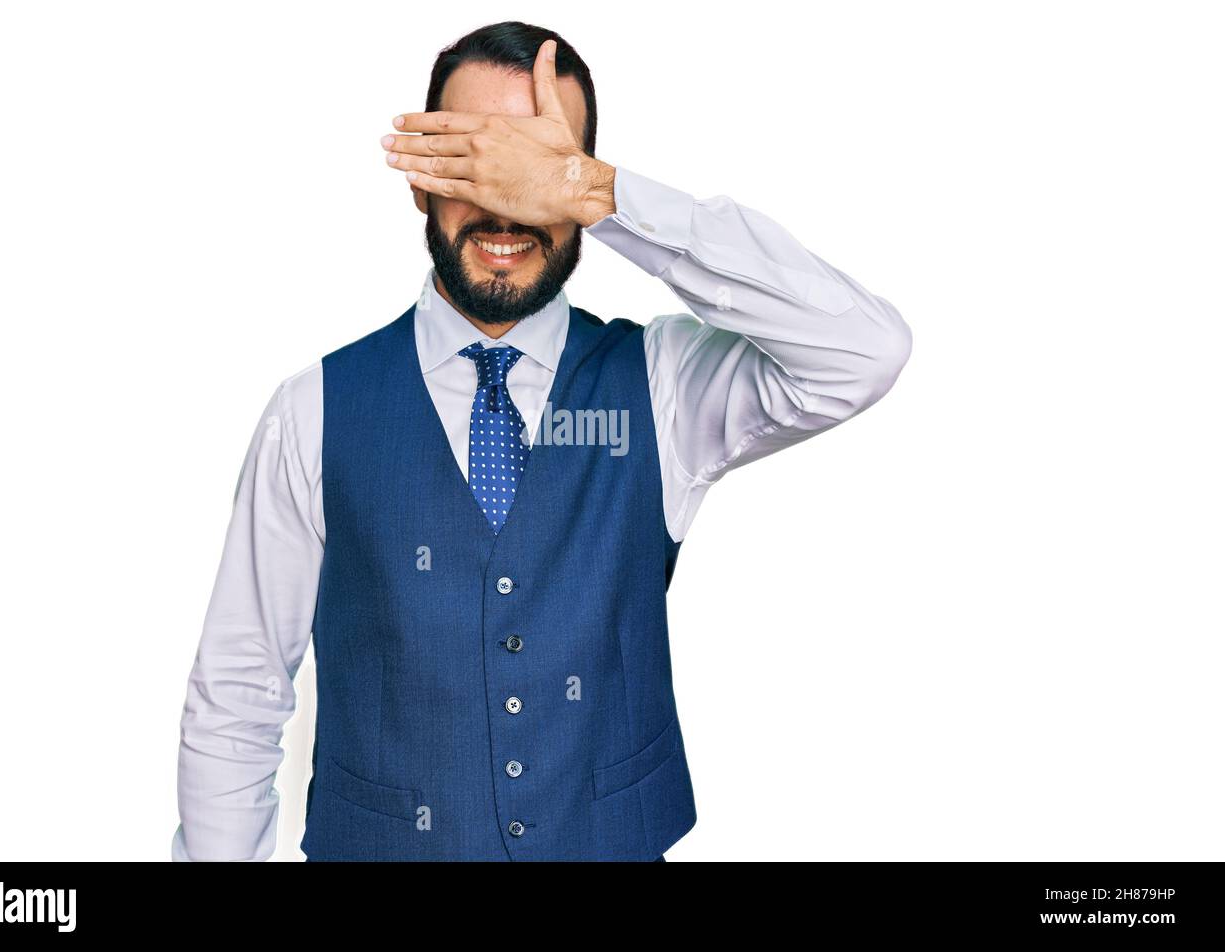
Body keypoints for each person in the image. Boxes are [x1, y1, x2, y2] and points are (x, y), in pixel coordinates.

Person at [173, 21, 912, 862]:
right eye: (471, 158)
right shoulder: (311, 411)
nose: (506, 202)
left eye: (532, 166)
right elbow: (239, 690)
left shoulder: (663, 388)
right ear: (420, 178)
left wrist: (600, 192)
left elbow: (863, 351)